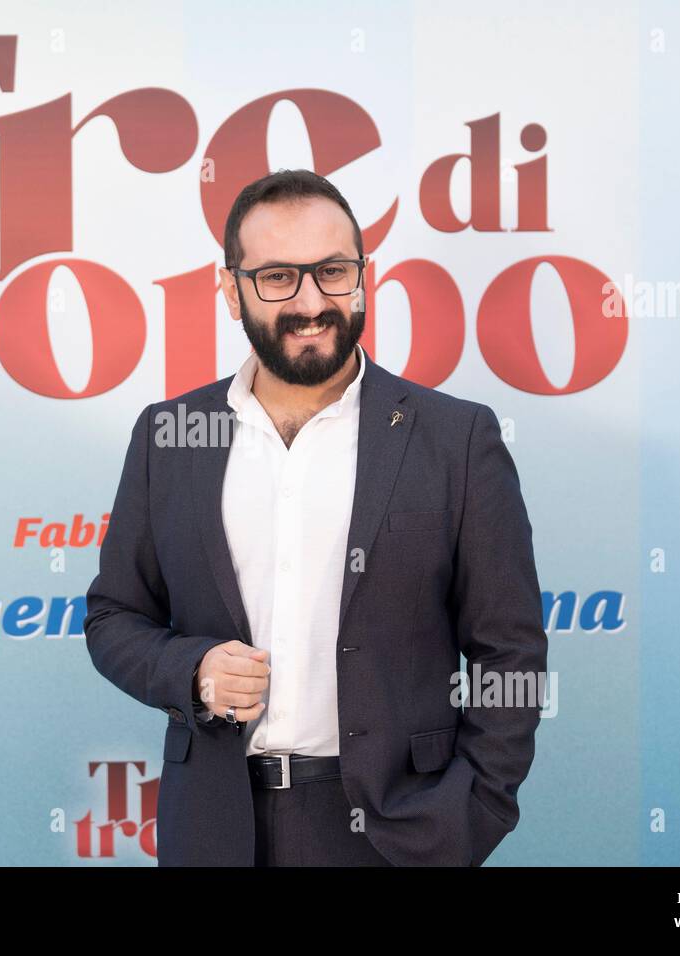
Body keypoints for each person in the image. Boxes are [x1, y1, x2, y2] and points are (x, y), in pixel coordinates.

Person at [84, 168, 547, 866]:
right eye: (276, 277)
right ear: (229, 287)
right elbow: (114, 618)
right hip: (215, 828)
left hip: (400, 833)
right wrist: (194, 668)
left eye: (332, 271)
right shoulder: (170, 436)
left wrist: (470, 814)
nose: (310, 302)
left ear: (365, 275)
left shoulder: (457, 441)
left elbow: (510, 654)